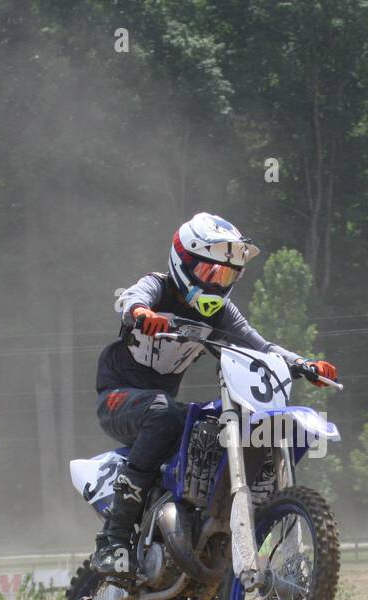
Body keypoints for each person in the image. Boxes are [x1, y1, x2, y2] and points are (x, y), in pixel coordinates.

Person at [91, 212, 338, 576]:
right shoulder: (157, 288)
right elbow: (130, 299)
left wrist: (304, 364)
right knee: (164, 415)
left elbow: (261, 346)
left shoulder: (221, 314)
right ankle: (111, 541)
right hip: (118, 399)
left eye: (226, 275)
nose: (218, 283)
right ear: (184, 263)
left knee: (202, 425)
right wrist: (142, 313)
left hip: (162, 407)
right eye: (211, 273)